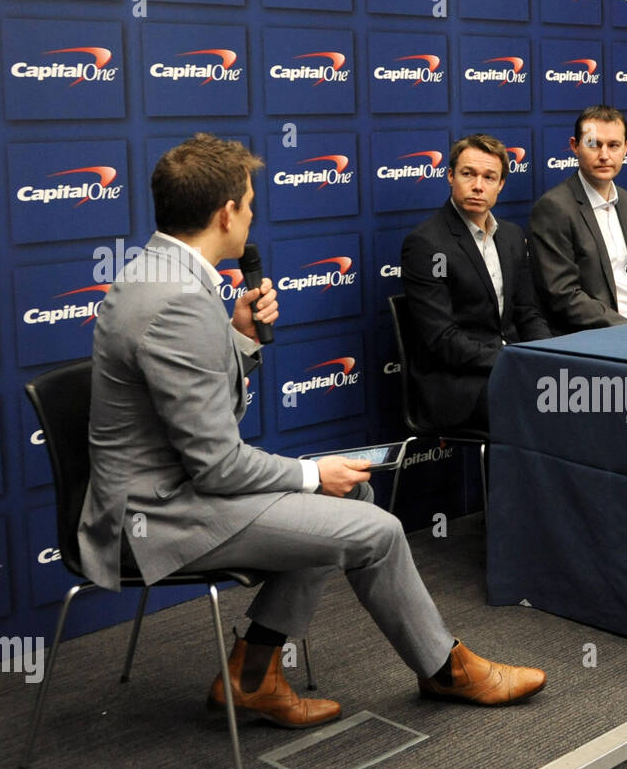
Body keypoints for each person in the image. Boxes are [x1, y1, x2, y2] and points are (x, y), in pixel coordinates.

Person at [78, 133, 545, 728]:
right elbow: (217, 465)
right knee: (373, 527)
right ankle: (444, 670)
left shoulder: (156, 272)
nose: (251, 215)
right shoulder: (178, 300)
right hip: (158, 513)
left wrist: (240, 337)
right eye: (247, 203)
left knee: (353, 493)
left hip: (167, 487)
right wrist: (309, 473)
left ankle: (252, 672)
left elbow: (197, 419)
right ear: (226, 213)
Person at [401, 134, 551, 431]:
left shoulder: (510, 236)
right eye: (468, 174)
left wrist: (547, 356)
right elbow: (442, 338)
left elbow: (527, 312)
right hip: (457, 384)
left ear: (501, 184)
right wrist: (513, 361)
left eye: (489, 177)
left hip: (510, 367)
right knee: (554, 404)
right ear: (450, 176)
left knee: (588, 393)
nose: (478, 185)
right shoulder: (429, 246)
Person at [527, 105, 627, 334]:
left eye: (613, 145)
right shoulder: (554, 208)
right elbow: (563, 296)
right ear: (575, 146)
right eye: (594, 144)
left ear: (626, 149)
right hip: (600, 335)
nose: (604, 155)